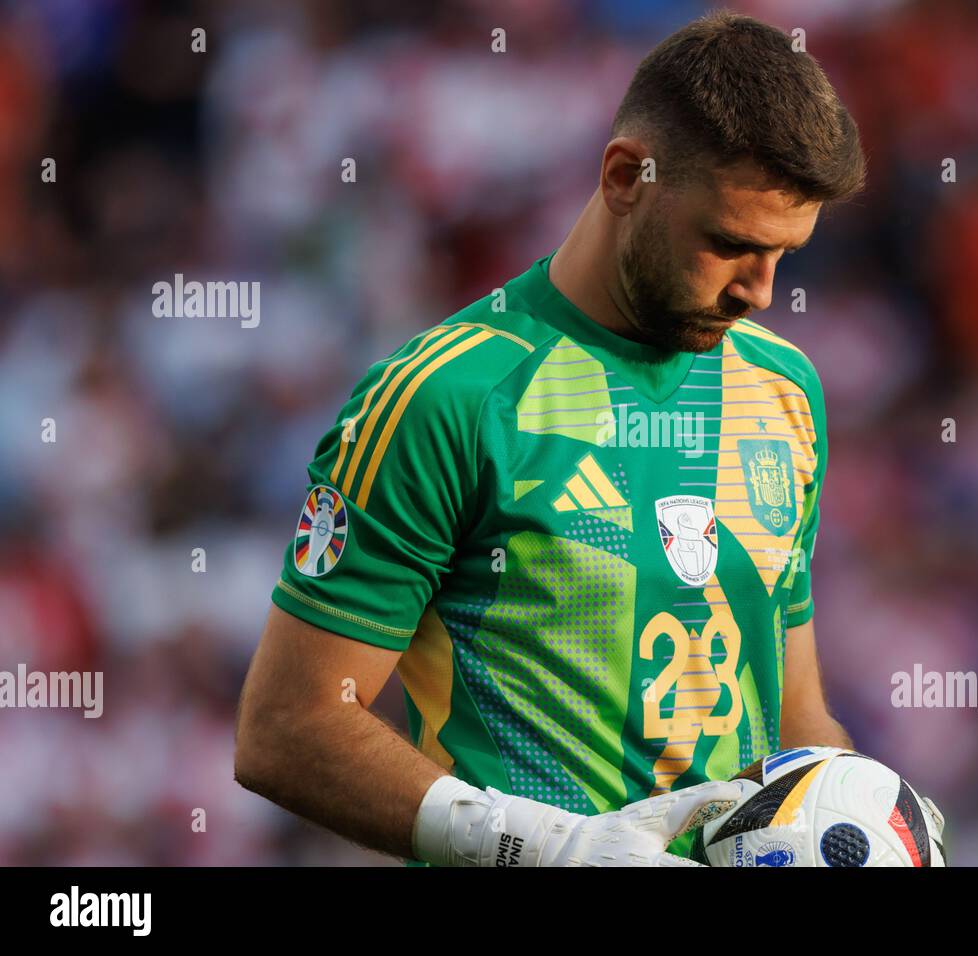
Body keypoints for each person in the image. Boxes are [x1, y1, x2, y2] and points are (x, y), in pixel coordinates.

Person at [235, 10, 864, 867]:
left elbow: (793, 719)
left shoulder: (785, 390)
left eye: (787, 255)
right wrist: (551, 849)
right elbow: (287, 728)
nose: (761, 289)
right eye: (730, 245)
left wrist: (864, 816)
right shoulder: (443, 398)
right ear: (622, 176)